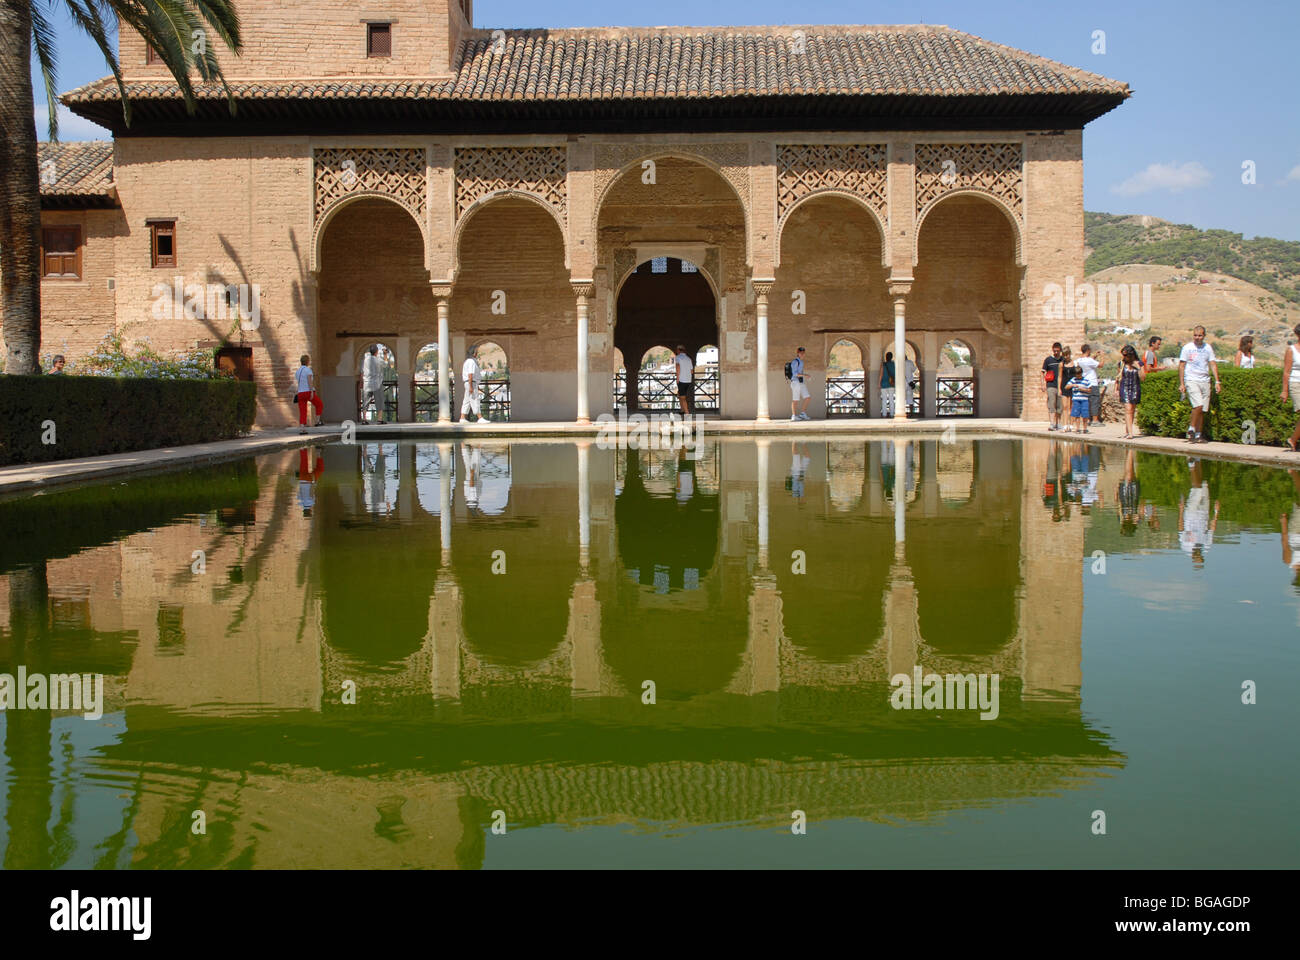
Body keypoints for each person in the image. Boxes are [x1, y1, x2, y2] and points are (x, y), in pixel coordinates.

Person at [1178, 326, 1220, 444]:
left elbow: (1212, 364)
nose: (1197, 338)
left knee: (1202, 409)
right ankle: (1191, 428)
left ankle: (1198, 435)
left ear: (1204, 336)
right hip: (1191, 379)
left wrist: (1217, 381)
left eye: (1200, 335)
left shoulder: (1208, 348)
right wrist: (1182, 383)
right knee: (1198, 405)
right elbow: (1182, 365)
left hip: (1205, 380)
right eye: (1195, 335)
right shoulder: (1187, 348)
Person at [1178, 458, 1218, 569]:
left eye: (1196, 557)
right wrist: (1216, 512)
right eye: (1199, 556)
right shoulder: (1206, 545)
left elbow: (1181, 528)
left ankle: (1191, 466)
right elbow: (1211, 528)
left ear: (1192, 557)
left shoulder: (1186, 546)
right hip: (1204, 512)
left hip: (1191, 513)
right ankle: (1197, 460)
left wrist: (1181, 510)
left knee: (1197, 489)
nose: (1197, 554)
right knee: (1204, 485)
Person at [1117, 344, 1146, 439]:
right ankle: (1130, 433)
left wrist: (1138, 368)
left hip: (1135, 387)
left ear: (1131, 355)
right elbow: (1118, 377)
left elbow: (1143, 378)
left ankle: (1127, 430)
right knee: (1128, 409)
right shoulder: (1121, 364)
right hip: (1124, 387)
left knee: (1132, 410)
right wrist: (1116, 389)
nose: (1124, 357)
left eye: (1126, 355)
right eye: (1123, 355)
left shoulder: (1139, 363)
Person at [1282, 324, 1300, 452]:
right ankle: (1293, 439)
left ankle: (1293, 440)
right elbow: (1286, 372)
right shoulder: (1291, 350)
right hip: (1296, 383)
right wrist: (1285, 390)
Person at [295, 354, 322, 434]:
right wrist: (311, 392)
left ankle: (302, 428)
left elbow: (299, 382)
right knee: (319, 404)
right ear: (307, 361)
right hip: (308, 392)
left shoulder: (297, 371)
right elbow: (309, 381)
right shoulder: (308, 370)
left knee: (302, 410)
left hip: (300, 393)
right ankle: (317, 421)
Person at [1076, 344, 1102, 425]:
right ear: (1088, 351)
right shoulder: (1089, 361)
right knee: (1094, 401)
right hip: (1092, 383)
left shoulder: (1079, 361)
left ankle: (1086, 420)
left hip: (1084, 384)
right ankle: (1095, 420)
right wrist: (1103, 356)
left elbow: (1090, 362)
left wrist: (1095, 356)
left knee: (1086, 402)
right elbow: (1101, 365)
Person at [1117, 447, 1140, 536]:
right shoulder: (1136, 520)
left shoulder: (1120, 519)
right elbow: (1140, 513)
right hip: (1133, 498)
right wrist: (1136, 518)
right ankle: (1129, 451)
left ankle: (1129, 451)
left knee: (1128, 475)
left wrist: (1116, 494)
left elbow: (1118, 507)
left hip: (1125, 498)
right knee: (1130, 474)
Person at [1042, 342, 1064, 431]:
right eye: (1054, 351)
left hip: (1060, 386)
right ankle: (1052, 423)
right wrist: (1043, 384)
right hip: (1051, 385)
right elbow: (1043, 372)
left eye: (1057, 351)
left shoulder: (1063, 360)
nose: (1055, 353)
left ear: (1060, 351)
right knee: (1052, 404)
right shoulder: (1048, 360)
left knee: (1059, 405)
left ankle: (1058, 423)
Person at [361, 344, 385, 424]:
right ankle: (379, 419)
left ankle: (364, 419)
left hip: (367, 383)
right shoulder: (378, 360)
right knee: (379, 401)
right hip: (377, 383)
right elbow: (385, 365)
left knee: (365, 402)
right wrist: (385, 354)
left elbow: (362, 371)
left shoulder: (365, 359)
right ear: (377, 352)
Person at [1064, 367, 1090, 434]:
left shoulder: (1086, 380)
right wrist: (1073, 385)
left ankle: (1085, 428)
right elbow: (1066, 387)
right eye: (1076, 375)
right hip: (1076, 400)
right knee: (1076, 414)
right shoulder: (1073, 380)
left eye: (1079, 375)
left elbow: (1090, 390)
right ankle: (1078, 428)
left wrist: (1083, 389)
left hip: (1084, 399)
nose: (1077, 377)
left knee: (1085, 414)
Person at [789, 346, 811, 421]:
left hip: (801, 382)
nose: (802, 354)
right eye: (800, 353)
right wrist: (805, 375)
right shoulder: (795, 361)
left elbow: (800, 373)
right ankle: (794, 416)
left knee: (807, 397)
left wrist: (805, 375)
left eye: (803, 353)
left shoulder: (801, 362)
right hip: (795, 382)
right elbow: (795, 373)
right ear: (798, 353)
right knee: (795, 399)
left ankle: (802, 414)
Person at [461, 348, 482, 422]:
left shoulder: (467, 361)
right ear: (474, 353)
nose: (477, 354)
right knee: (475, 399)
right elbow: (470, 374)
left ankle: (462, 418)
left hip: (470, 383)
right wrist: (470, 386)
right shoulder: (471, 362)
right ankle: (480, 418)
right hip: (471, 382)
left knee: (466, 400)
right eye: (476, 352)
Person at [673, 344, 694, 417]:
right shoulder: (689, 358)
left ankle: (687, 413)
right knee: (680, 394)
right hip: (688, 380)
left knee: (682, 397)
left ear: (678, 350)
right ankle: (682, 410)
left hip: (682, 380)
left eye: (677, 350)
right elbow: (692, 371)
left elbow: (678, 367)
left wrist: (677, 378)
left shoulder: (678, 357)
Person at [880, 351, 896, 418]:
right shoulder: (894, 364)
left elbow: (881, 374)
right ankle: (892, 414)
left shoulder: (883, 365)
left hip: (884, 384)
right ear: (891, 357)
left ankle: (884, 414)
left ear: (886, 357)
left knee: (884, 399)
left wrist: (879, 383)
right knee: (891, 399)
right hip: (892, 384)